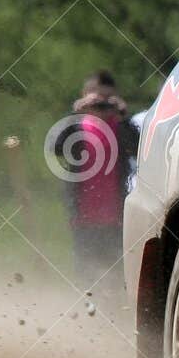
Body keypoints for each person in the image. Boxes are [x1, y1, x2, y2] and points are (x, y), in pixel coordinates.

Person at [55, 70, 134, 286]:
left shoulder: (120, 128)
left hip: (116, 218)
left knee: (118, 274)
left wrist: (123, 117)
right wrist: (75, 113)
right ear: (84, 95)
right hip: (83, 218)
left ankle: (114, 312)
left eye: (106, 99)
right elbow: (57, 146)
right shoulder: (77, 127)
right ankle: (89, 313)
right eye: (95, 97)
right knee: (86, 275)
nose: (101, 104)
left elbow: (137, 149)